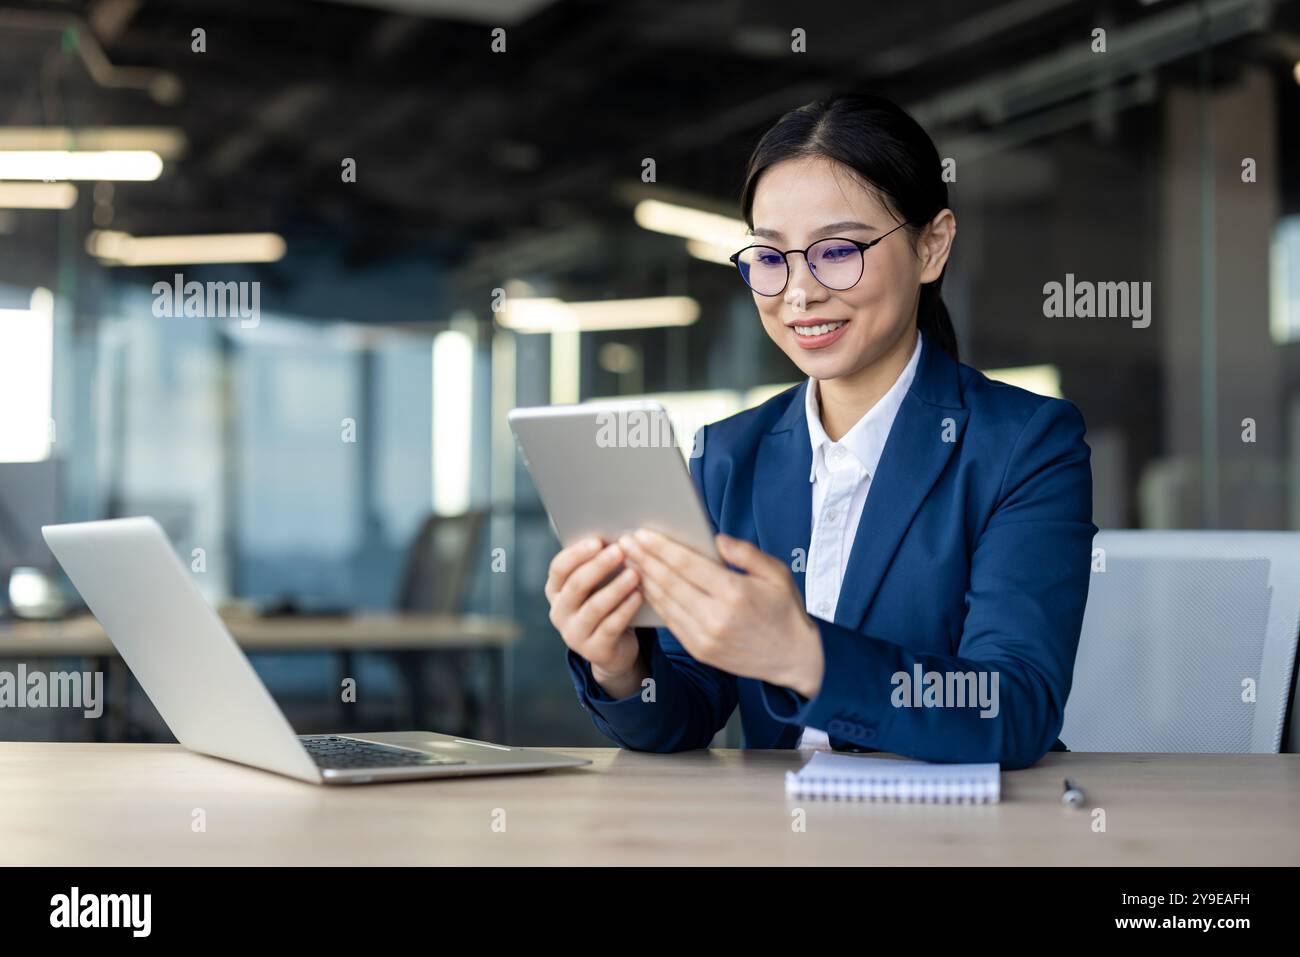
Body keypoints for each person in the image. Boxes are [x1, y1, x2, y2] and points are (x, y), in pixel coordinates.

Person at [544, 92, 1096, 769]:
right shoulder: (729, 454)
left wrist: (803, 656)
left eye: (836, 250)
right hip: (782, 834)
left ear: (932, 245)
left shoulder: (1024, 444)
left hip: (958, 836)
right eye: (771, 258)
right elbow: (690, 703)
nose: (799, 291)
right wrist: (622, 666)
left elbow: (1012, 703)